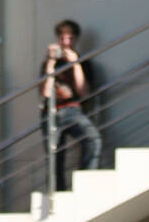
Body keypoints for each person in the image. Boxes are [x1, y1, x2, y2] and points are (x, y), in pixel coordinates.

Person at [39, 18, 102, 189]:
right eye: (62, 39)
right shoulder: (49, 64)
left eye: (70, 38)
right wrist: (51, 63)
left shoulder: (83, 62)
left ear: (76, 40)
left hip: (73, 111)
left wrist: (75, 64)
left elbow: (84, 93)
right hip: (50, 113)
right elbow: (45, 92)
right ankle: (57, 194)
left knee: (92, 139)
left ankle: (84, 182)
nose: (66, 43)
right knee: (55, 159)